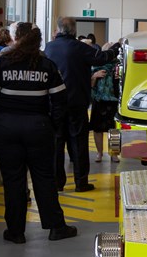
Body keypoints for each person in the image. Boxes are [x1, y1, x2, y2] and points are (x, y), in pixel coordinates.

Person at [0, 21, 77, 243]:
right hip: (38, 128)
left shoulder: (2, 64)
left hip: (6, 128)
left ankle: (15, 232)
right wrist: (51, 124)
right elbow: (60, 100)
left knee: (13, 181)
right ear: (38, 41)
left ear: (16, 39)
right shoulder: (47, 66)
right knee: (44, 178)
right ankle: (56, 227)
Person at [43, 17, 115, 192]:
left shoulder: (49, 48)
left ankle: (57, 183)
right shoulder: (81, 48)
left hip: (55, 103)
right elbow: (102, 58)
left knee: (57, 144)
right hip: (77, 103)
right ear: (74, 31)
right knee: (79, 143)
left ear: (58, 30)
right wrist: (115, 50)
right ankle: (81, 183)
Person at [89, 54, 119, 162]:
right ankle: (99, 153)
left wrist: (117, 77)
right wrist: (94, 76)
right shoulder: (94, 68)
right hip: (98, 101)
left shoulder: (117, 68)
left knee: (114, 129)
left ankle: (114, 154)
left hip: (113, 101)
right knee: (97, 129)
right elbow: (91, 87)